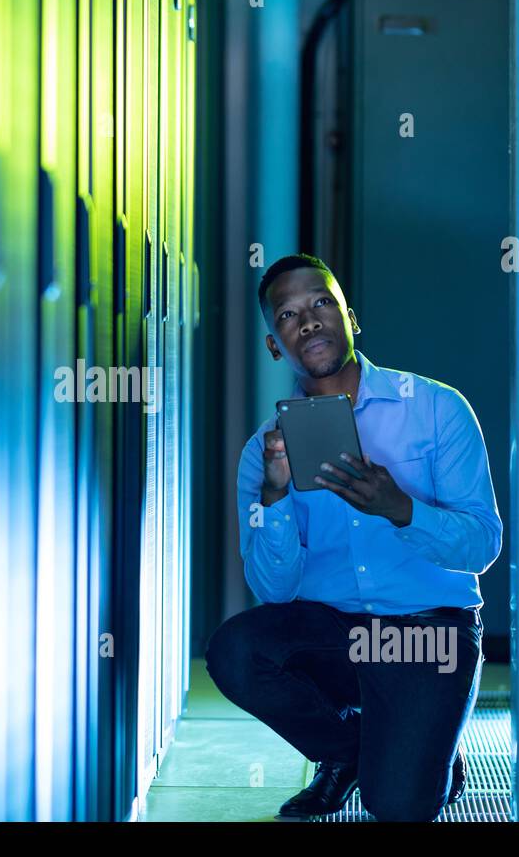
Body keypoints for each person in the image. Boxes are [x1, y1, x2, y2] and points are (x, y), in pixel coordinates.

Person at [204, 253, 503, 821]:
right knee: (238, 650)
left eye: (320, 303)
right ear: (275, 345)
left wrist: (400, 509)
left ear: (350, 317)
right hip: (334, 634)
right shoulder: (264, 452)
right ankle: (348, 755)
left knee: (397, 807)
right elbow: (273, 589)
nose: (308, 322)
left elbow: (483, 545)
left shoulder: (438, 409)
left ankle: (423, 754)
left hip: (425, 633)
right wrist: (275, 496)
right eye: (288, 316)